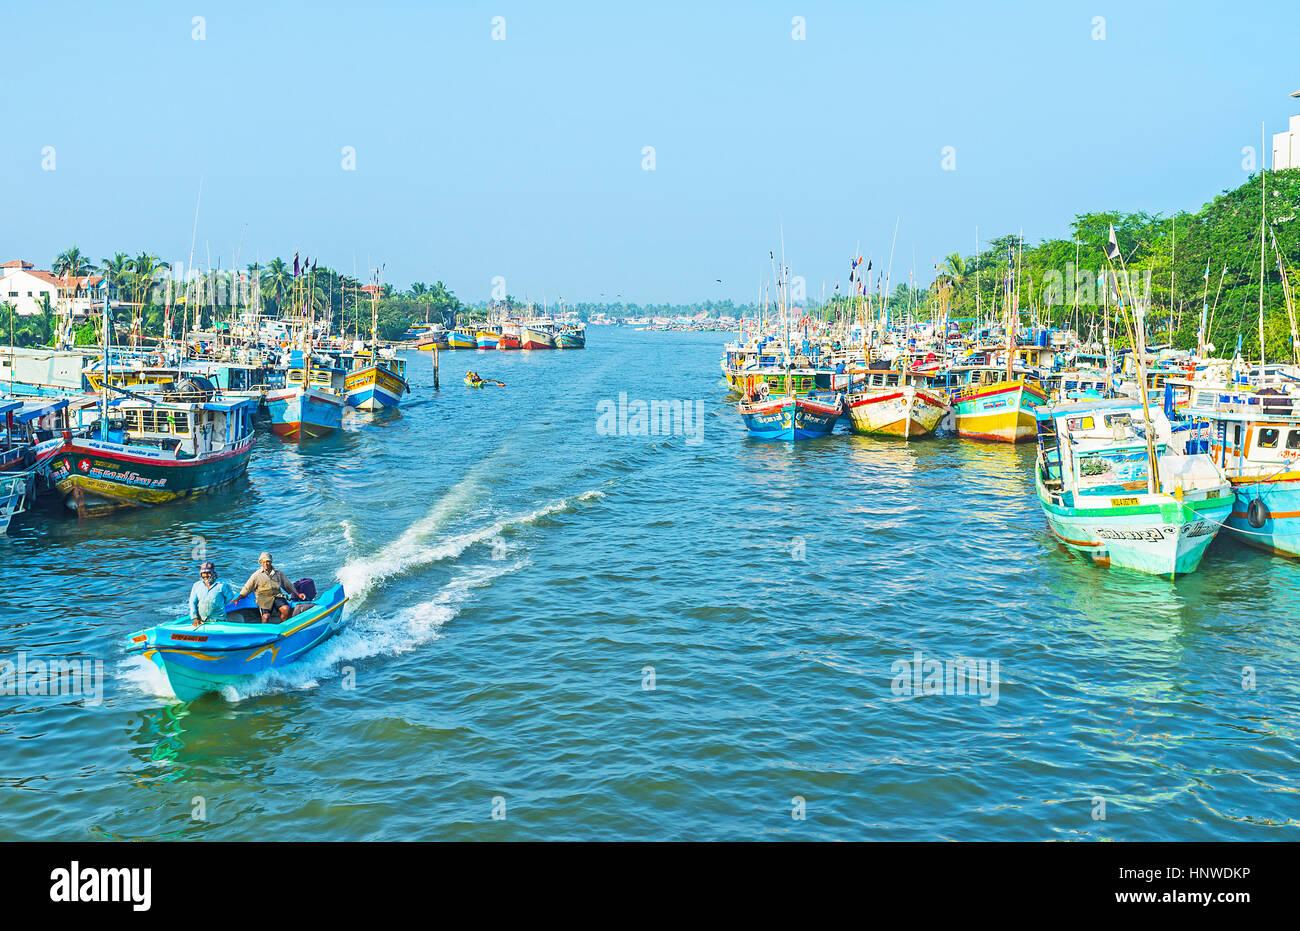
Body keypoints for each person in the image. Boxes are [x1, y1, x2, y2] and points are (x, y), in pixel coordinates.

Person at [239, 552, 305, 623]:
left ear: (271, 562)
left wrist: (298, 594)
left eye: (268, 561)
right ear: (261, 563)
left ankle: (282, 625)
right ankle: (263, 632)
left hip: (277, 596)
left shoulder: (278, 573)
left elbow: (287, 584)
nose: (265, 564)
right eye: (263, 562)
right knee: (265, 616)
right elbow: (247, 588)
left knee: (286, 609)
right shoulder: (256, 575)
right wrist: (237, 599)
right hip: (263, 598)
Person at [189, 561, 240, 628]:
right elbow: (192, 602)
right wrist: (195, 618)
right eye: (203, 573)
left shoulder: (222, 585)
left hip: (219, 620)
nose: (205, 575)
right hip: (201, 620)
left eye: (208, 573)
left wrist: (217, 604)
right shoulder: (196, 586)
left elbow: (229, 599)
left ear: (212, 572)